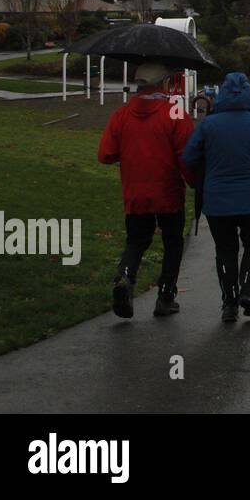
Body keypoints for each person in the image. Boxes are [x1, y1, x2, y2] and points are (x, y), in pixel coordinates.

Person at [97, 61, 194, 319]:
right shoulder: (175, 113)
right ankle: (165, 296)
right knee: (173, 243)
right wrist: (195, 181)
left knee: (137, 240)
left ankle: (125, 278)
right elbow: (187, 156)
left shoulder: (122, 114)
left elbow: (105, 154)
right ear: (164, 83)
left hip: (135, 192)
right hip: (168, 191)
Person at [182, 72, 250, 323]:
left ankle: (229, 303)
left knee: (225, 249)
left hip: (217, 200)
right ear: (248, 93)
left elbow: (189, 157)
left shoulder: (209, 125)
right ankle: (248, 289)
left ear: (221, 93)